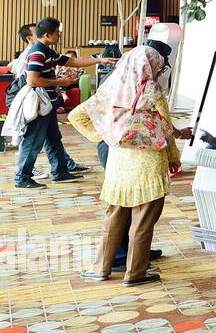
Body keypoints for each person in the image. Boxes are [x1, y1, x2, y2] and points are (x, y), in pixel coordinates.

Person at [72, 46, 187, 285]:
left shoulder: (112, 88)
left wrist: (107, 134)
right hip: (148, 163)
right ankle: (135, 273)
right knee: (143, 222)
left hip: (118, 163)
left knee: (113, 218)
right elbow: (166, 127)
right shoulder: (152, 89)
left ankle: (100, 269)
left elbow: (77, 116)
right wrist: (174, 157)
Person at [13, 18, 115, 189]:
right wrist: (60, 81)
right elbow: (33, 80)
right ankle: (22, 178)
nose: (60, 35)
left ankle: (60, 172)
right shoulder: (38, 52)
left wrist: (100, 61)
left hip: (48, 105)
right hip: (39, 106)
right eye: (57, 32)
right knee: (32, 142)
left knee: (54, 139)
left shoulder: (47, 51)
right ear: (47, 34)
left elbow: (72, 61)